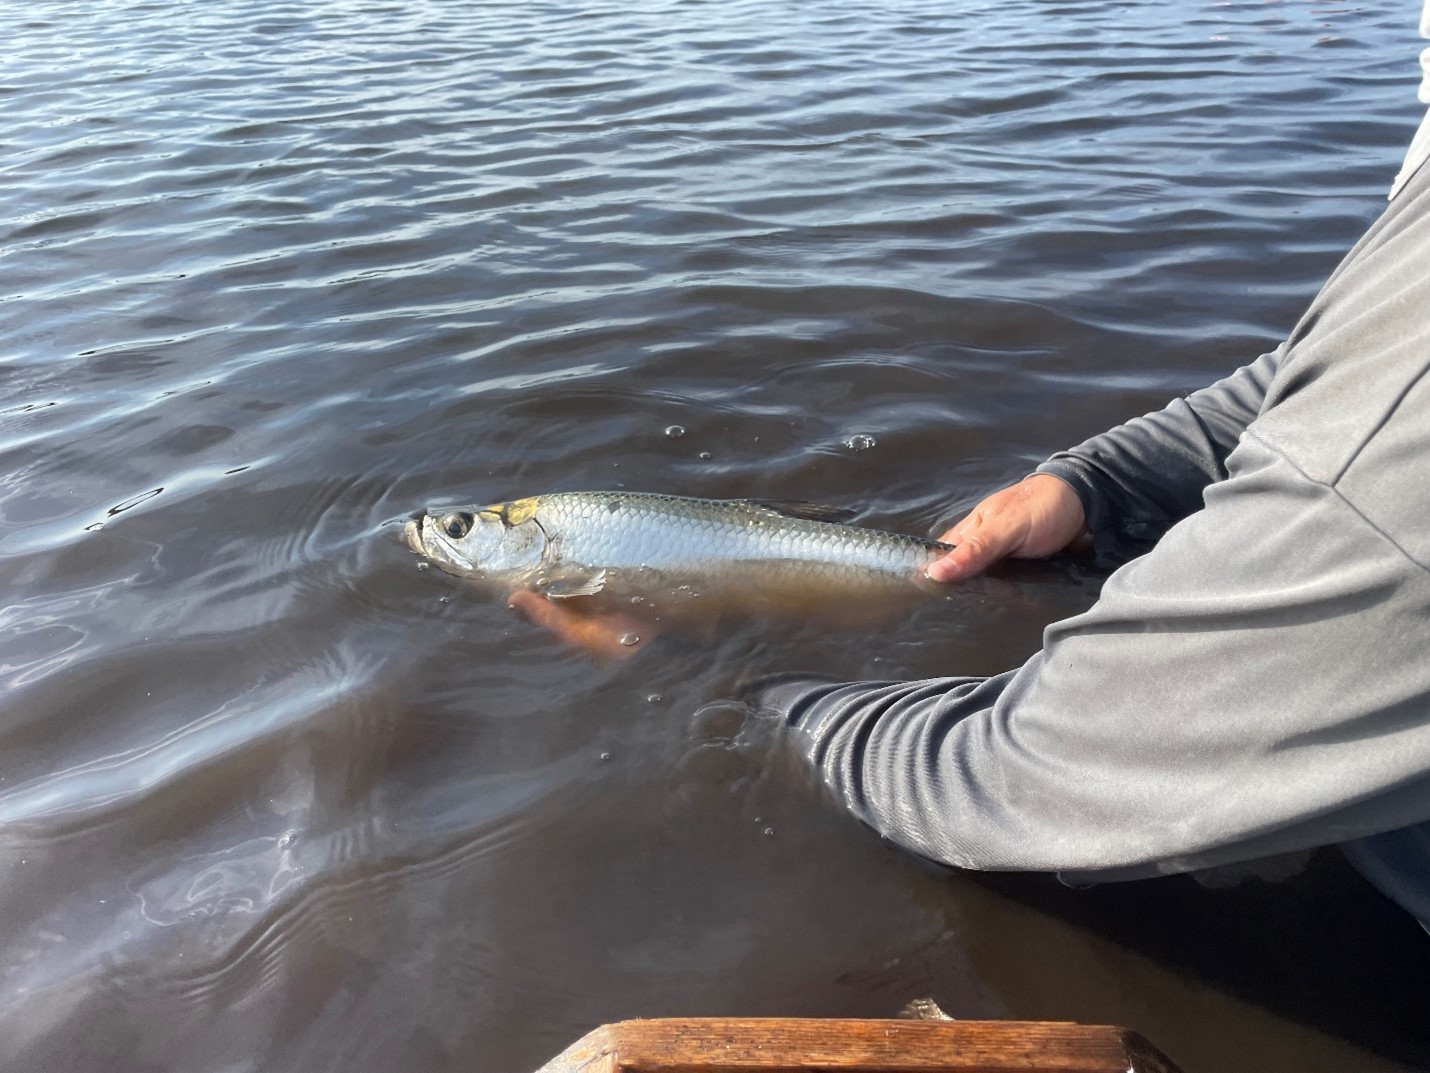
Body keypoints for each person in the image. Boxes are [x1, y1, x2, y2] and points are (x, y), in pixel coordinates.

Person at [514, 5, 1430, 925]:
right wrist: (1097, 481)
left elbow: (1014, 779)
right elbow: (1330, 370)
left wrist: (712, 683)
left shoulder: (1393, 487)